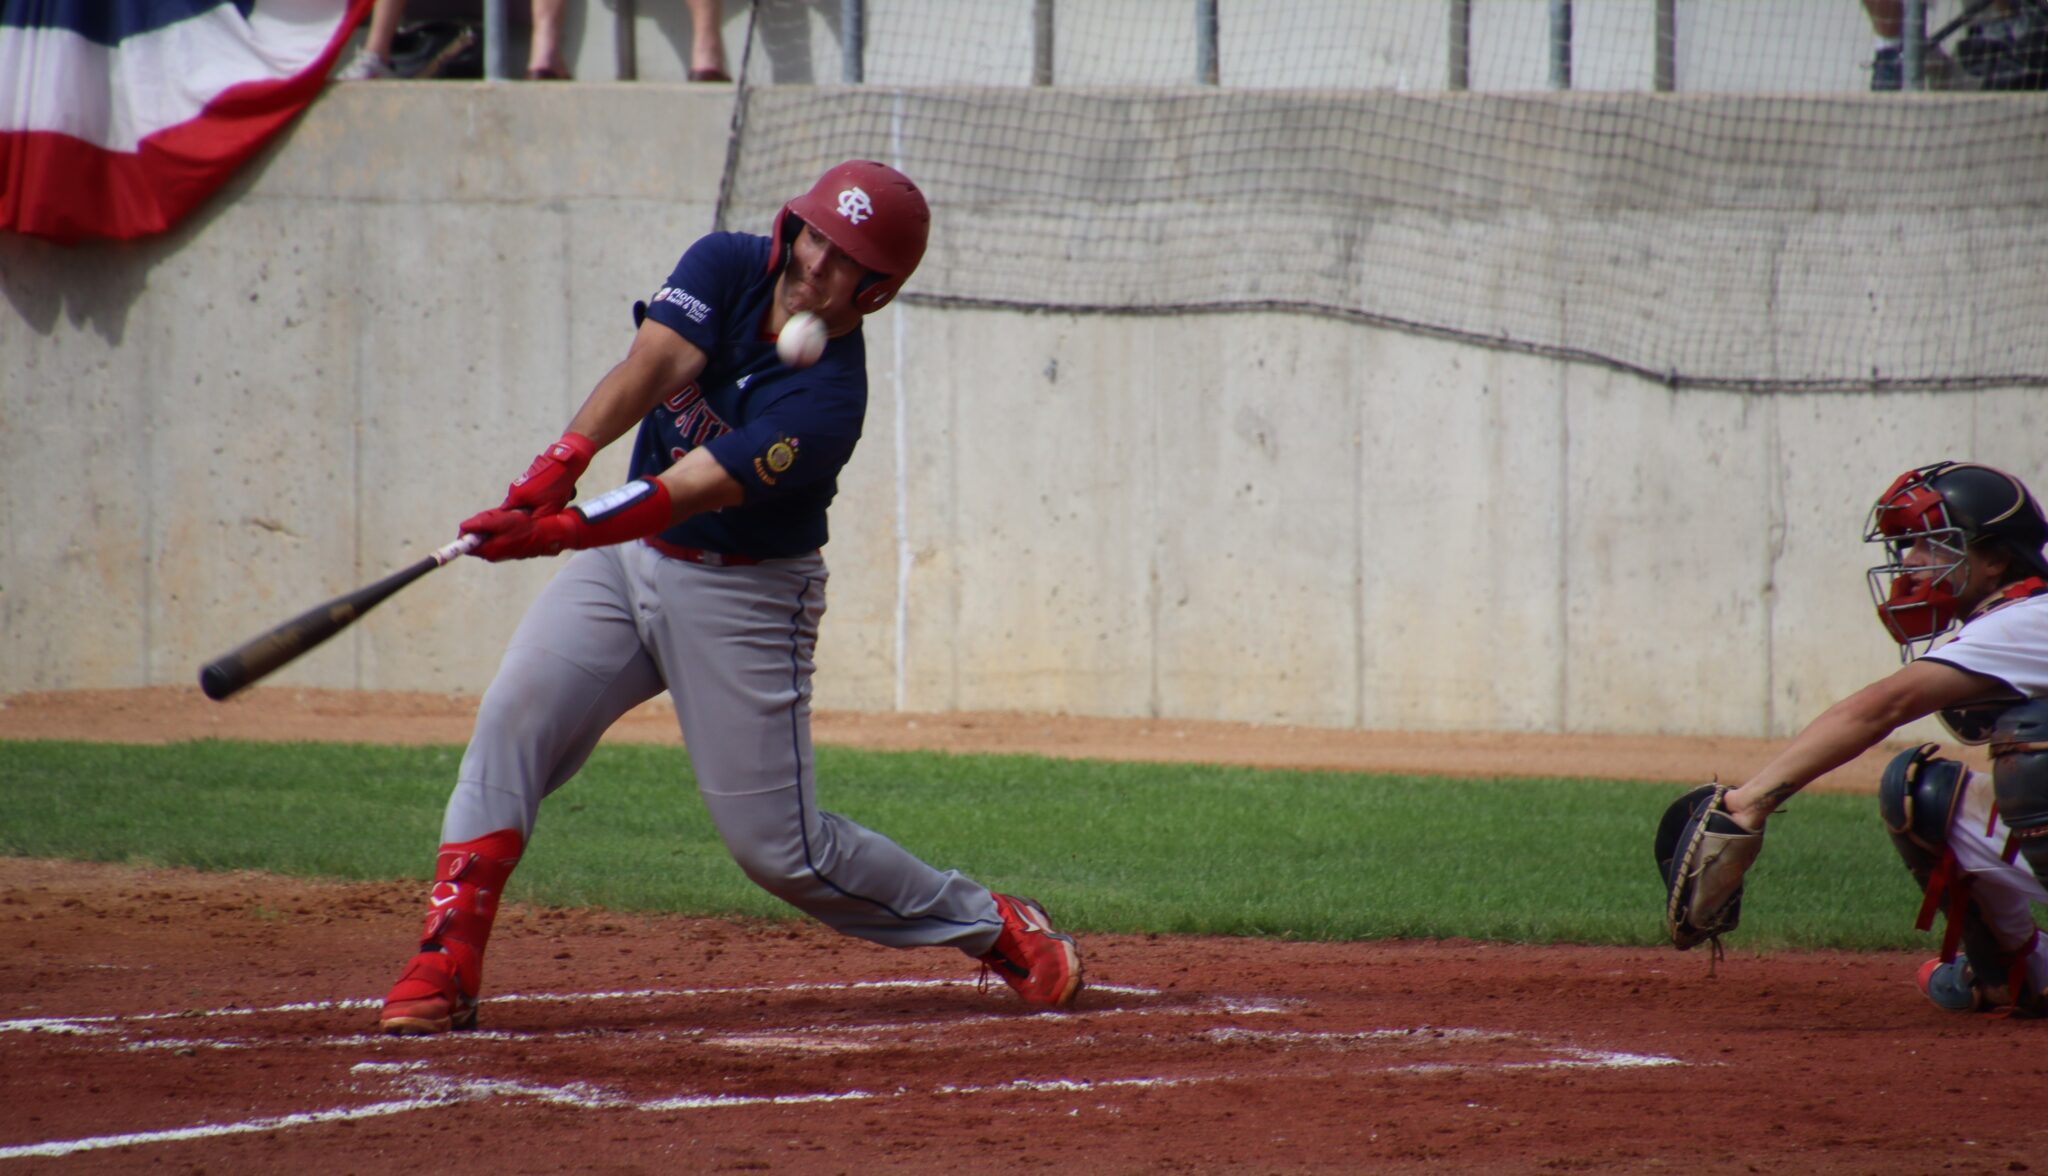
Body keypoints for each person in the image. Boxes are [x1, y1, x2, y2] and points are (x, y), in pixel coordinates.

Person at [375, 159, 1083, 1035]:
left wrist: (555, 532)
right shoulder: (724, 264)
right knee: (512, 721)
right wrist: (556, 466)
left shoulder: (828, 403)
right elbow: (653, 362)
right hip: (625, 563)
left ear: (877, 291)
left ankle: (992, 924)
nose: (819, 260)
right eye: (817, 233)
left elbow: (690, 486)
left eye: (847, 255)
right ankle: (444, 960)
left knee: (786, 855)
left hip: (745, 600)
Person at [1718, 461, 2048, 1014]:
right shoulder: (2023, 605)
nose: (1911, 564)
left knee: (2036, 746)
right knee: (1923, 798)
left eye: (1931, 545)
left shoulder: (2023, 620)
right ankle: (2018, 972)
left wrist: (1748, 802)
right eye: (1907, 546)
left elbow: (1882, 707)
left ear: (1993, 558)